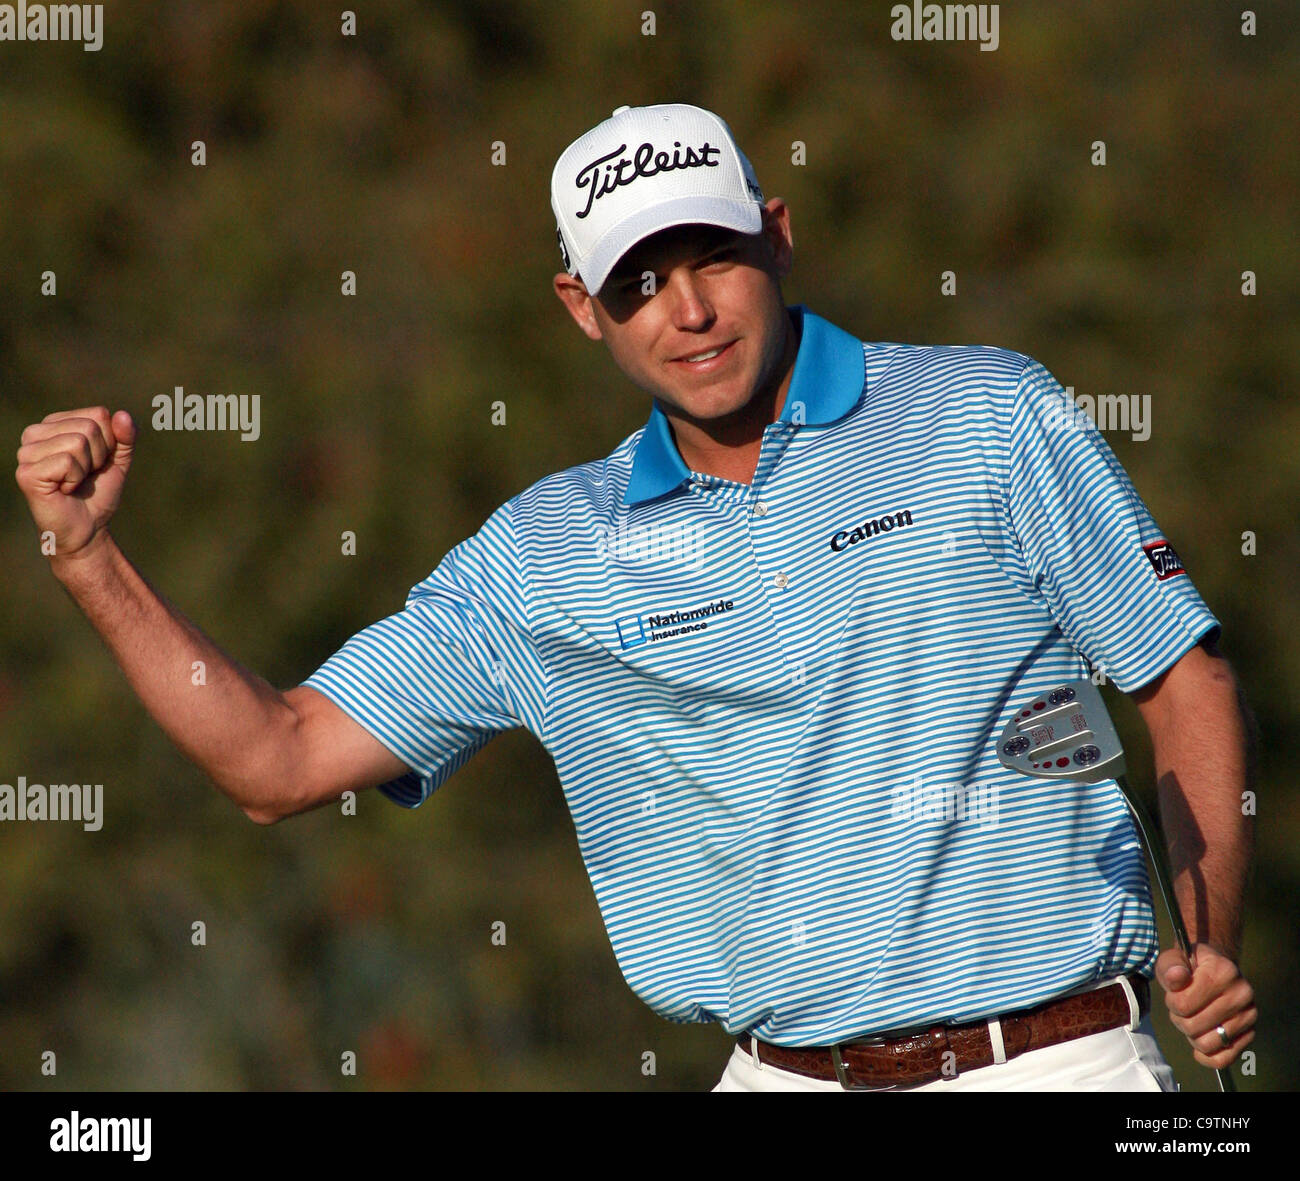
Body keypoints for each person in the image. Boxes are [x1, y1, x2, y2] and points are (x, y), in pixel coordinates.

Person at [15, 103, 1256, 1092]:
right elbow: (275, 760)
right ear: (581, 309)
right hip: (777, 1075)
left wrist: (1205, 939)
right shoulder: (541, 555)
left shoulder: (989, 413)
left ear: (776, 233)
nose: (690, 310)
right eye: (637, 282)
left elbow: (1177, 674)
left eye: (711, 255)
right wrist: (91, 562)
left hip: (1050, 1063)